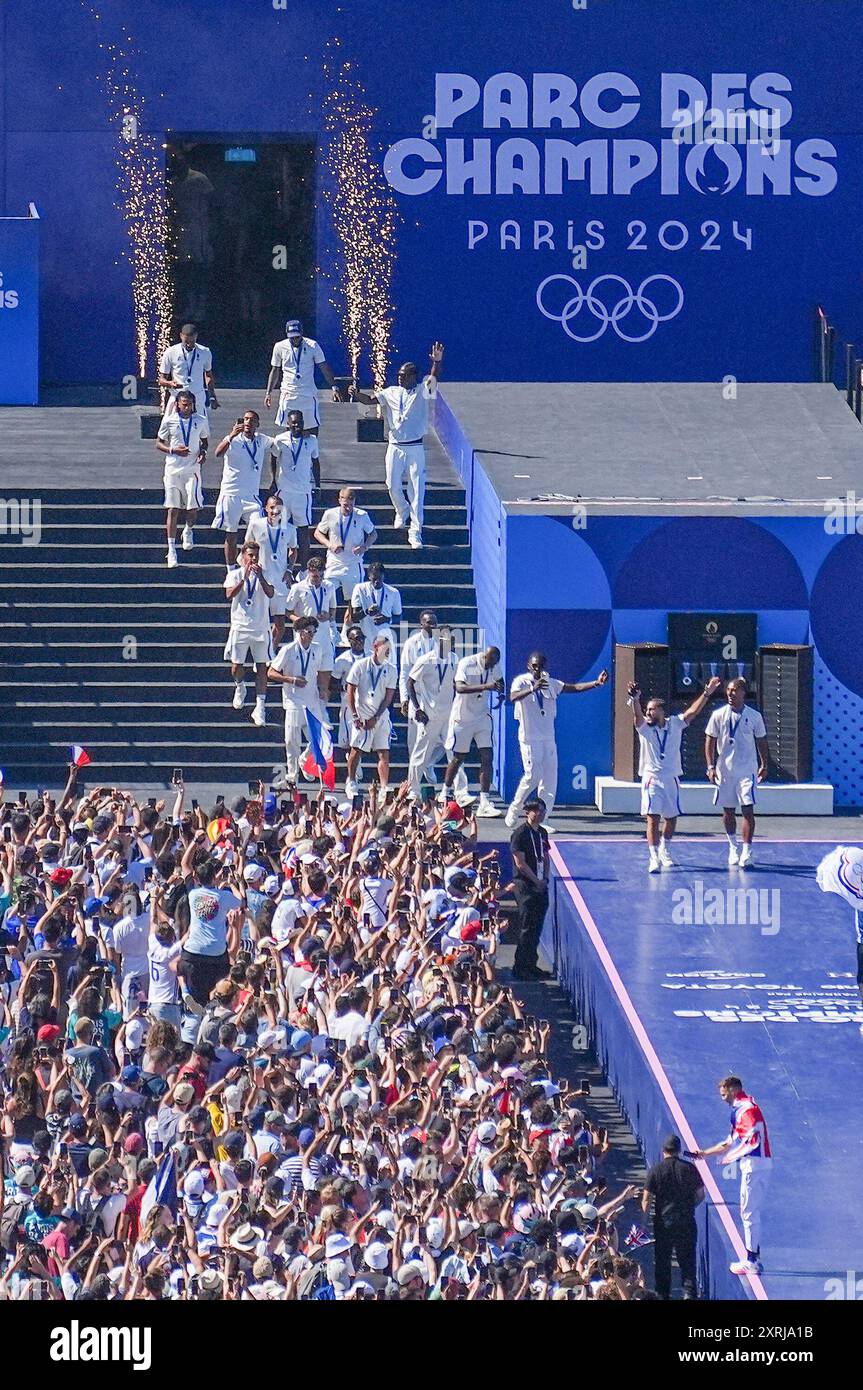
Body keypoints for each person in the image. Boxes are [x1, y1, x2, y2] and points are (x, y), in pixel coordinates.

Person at [349, 342, 444, 550]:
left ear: (413, 377)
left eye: (404, 376)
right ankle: (402, 510)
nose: (400, 378)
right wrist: (356, 394)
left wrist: (436, 362)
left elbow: (433, 378)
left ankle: (415, 532)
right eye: (399, 375)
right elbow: (368, 401)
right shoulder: (390, 392)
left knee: (417, 490)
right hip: (395, 446)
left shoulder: (422, 391)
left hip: (415, 448)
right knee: (392, 484)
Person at [628, 675, 722, 871]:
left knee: (671, 818)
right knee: (652, 818)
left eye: (651, 709)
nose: (648, 713)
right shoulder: (645, 729)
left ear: (661, 710)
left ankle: (665, 849)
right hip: (651, 779)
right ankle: (653, 857)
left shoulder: (675, 724)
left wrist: (707, 693)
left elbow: (692, 712)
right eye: (647, 710)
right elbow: (637, 717)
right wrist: (635, 699)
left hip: (671, 779)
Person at [506, 654, 609, 830]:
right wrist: (532, 689)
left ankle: (543, 819)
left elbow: (574, 687)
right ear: (529, 666)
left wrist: (596, 683)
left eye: (541, 666)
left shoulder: (550, 683)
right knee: (532, 776)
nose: (538, 670)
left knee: (549, 779)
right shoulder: (521, 681)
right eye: (535, 666)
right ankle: (514, 809)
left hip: (548, 738)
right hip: (530, 738)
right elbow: (513, 697)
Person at [693, 1075, 772, 1278]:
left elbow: (750, 1140)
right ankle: (754, 1256)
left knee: (748, 1213)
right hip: (756, 1166)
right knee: (749, 1212)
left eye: (724, 1093)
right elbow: (729, 1143)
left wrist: (731, 1156)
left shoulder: (745, 1111)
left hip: (754, 1167)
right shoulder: (743, 1109)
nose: (722, 1098)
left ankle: (751, 1261)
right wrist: (705, 1153)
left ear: (733, 1089)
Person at [705, 678, 769, 868]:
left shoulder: (754, 716)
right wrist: (710, 766)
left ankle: (747, 851)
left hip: (747, 771)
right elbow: (709, 740)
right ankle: (733, 847)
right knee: (728, 811)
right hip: (724, 771)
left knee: (748, 809)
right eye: (728, 691)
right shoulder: (718, 715)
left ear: (743, 692)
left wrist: (764, 764)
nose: (730, 694)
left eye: (734, 691)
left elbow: (762, 741)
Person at [267, 616, 332, 787]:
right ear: (300, 633)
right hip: (293, 701)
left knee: (318, 739)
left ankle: (304, 760)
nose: (312, 635)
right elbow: (271, 673)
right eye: (309, 632)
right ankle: (292, 774)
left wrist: (323, 689)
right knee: (292, 740)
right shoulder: (288, 650)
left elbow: (319, 672)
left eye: (314, 632)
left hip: (312, 701)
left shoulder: (317, 649)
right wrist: (291, 679)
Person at [443, 645, 505, 818]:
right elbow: (460, 688)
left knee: (487, 756)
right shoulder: (466, 663)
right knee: (458, 757)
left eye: (495, 663)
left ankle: (484, 801)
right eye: (491, 662)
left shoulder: (494, 665)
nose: (492, 666)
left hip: (482, 717)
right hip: (462, 717)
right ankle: (445, 791)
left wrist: (500, 694)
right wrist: (487, 687)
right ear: (485, 656)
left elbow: (500, 681)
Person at [641, 1135, 703, 1300]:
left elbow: (646, 1199)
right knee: (687, 1259)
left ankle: (662, 1294)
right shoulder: (689, 1169)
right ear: (679, 1151)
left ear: (663, 1152)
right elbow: (700, 1194)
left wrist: (644, 1221)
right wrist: (690, 1206)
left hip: (663, 1223)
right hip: (686, 1221)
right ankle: (689, 1293)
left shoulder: (656, 1170)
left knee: (662, 1260)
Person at [213, 411, 274, 569]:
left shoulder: (262, 440)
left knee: (258, 528)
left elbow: (279, 443)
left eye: (252, 420)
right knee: (231, 534)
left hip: (251, 497)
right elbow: (218, 453)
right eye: (245, 419)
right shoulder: (233, 440)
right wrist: (231, 435)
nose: (248, 422)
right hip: (231, 494)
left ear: (257, 424)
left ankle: (245, 559)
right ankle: (231, 569)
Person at [155, 389, 208, 568]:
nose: (186, 407)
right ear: (177, 404)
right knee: (172, 509)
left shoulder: (200, 421)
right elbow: (159, 442)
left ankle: (188, 529)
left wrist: (203, 452)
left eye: (189, 404)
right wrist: (173, 450)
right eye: (183, 404)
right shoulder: (169, 420)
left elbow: (204, 441)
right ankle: (171, 549)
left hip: (192, 470)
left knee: (193, 507)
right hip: (172, 470)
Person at [224, 541, 274, 727]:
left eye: (255, 555)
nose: (253, 559)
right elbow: (229, 594)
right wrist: (243, 579)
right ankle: (240, 686)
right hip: (240, 626)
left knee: (262, 668)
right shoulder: (234, 574)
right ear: (243, 556)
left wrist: (260, 578)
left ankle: (260, 705)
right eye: (250, 555)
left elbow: (270, 593)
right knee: (236, 666)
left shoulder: (266, 573)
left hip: (261, 627)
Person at [407, 624, 458, 802]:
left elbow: (456, 686)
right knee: (420, 753)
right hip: (429, 715)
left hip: (448, 716)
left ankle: (454, 790)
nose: (451, 642)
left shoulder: (454, 659)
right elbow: (410, 683)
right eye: (447, 639)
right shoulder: (426, 660)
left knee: (454, 753)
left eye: (453, 639)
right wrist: (417, 708)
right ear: (438, 640)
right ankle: (413, 789)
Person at [265, 318, 342, 434]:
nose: (295, 340)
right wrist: (268, 393)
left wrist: (334, 387)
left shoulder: (312, 345)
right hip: (288, 392)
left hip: (308, 393)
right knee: (290, 426)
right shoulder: (279, 347)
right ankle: (293, 451)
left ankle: (311, 450)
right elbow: (275, 370)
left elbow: (324, 367)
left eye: (297, 337)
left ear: (302, 334)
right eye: (292, 337)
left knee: (311, 427)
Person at [344, 634, 398, 799]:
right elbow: (351, 691)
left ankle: (383, 787)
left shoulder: (391, 669)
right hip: (362, 714)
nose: (388, 652)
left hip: (380, 716)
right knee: (356, 749)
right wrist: (354, 715)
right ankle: (351, 781)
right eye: (385, 649)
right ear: (376, 647)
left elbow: (389, 697)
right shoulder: (360, 666)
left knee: (384, 752)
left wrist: (377, 716)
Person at [313, 487, 377, 623]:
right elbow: (318, 533)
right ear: (339, 500)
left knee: (353, 600)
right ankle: (330, 626)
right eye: (345, 505)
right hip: (334, 562)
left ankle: (346, 630)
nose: (348, 509)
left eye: (351, 505)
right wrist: (330, 545)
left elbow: (373, 534)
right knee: (326, 592)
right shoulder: (330, 514)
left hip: (353, 563)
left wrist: (364, 547)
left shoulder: (362, 515)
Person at [244, 494, 297, 648]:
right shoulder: (256, 525)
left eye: (278, 508)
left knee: (280, 622)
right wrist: (248, 568)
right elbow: (247, 547)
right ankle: (259, 651)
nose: (275, 511)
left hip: (280, 580)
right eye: (272, 507)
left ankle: (270, 651)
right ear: (266, 508)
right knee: (260, 618)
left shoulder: (289, 528)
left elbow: (293, 550)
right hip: (261, 577)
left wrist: (289, 569)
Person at [270, 408, 319, 568]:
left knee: (303, 531)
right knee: (279, 528)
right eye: (293, 423)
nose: (297, 425)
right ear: (288, 424)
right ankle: (279, 565)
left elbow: (316, 463)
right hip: (284, 492)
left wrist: (317, 485)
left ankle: (304, 568)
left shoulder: (311, 440)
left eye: (300, 422)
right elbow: (273, 458)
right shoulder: (280, 439)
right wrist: (273, 480)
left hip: (303, 493)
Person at [509, 798, 551, 980]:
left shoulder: (541, 832)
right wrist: (535, 880)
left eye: (542, 811)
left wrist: (545, 878)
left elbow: (546, 856)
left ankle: (531, 964)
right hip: (525, 885)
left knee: (536, 926)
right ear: (528, 812)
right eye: (536, 811)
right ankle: (520, 967)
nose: (540, 814)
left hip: (540, 882)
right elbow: (520, 863)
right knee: (526, 927)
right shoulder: (520, 834)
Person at [158, 322, 219, 426]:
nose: (189, 344)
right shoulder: (171, 352)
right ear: (181, 336)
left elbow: (208, 375)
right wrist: (170, 383)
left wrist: (212, 396)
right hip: (178, 397)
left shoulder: (205, 352)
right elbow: (161, 379)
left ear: (196, 337)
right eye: (186, 341)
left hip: (198, 397)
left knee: (201, 430)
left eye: (192, 341)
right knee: (170, 428)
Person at [286, 556, 338, 669]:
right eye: (315, 576)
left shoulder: (329, 586)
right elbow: (287, 611)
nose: (318, 579)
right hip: (304, 635)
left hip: (324, 635)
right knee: (305, 669)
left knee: (325, 674)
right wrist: (300, 621)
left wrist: (328, 615)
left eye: (321, 576)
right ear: (309, 571)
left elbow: (333, 609)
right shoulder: (298, 588)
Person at [331, 623, 367, 767]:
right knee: (347, 740)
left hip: (366, 704)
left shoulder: (370, 657)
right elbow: (331, 684)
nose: (360, 642)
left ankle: (356, 769)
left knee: (359, 738)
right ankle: (352, 761)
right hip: (348, 705)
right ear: (350, 640)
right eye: (357, 639)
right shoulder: (342, 660)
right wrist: (345, 687)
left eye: (362, 638)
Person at [350, 562, 402, 656]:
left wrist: (386, 619)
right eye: (374, 579)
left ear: (384, 577)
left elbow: (398, 617)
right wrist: (367, 612)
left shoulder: (393, 592)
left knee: (388, 668)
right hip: (366, 639)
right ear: (369, 576)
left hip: (384, 638)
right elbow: (354, 617)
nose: (377, 582)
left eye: (379, 579)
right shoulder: (360, 589)